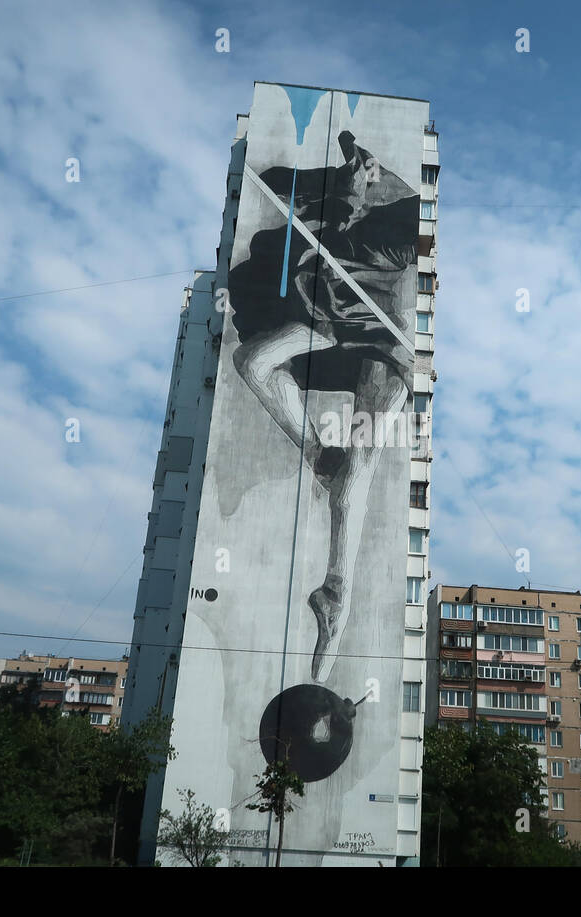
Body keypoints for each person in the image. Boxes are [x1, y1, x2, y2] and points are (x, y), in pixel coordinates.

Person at [231, 130, 419, 682]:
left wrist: (349, 198)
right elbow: (340, 236)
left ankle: (337, 589)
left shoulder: (404, 225)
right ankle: (319, 455)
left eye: (366, 172)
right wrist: (345, 197)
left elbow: (371, 244)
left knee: (361, 471)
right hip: (335, 319)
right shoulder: (369, 206)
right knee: (253, 362)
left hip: (387, 342)